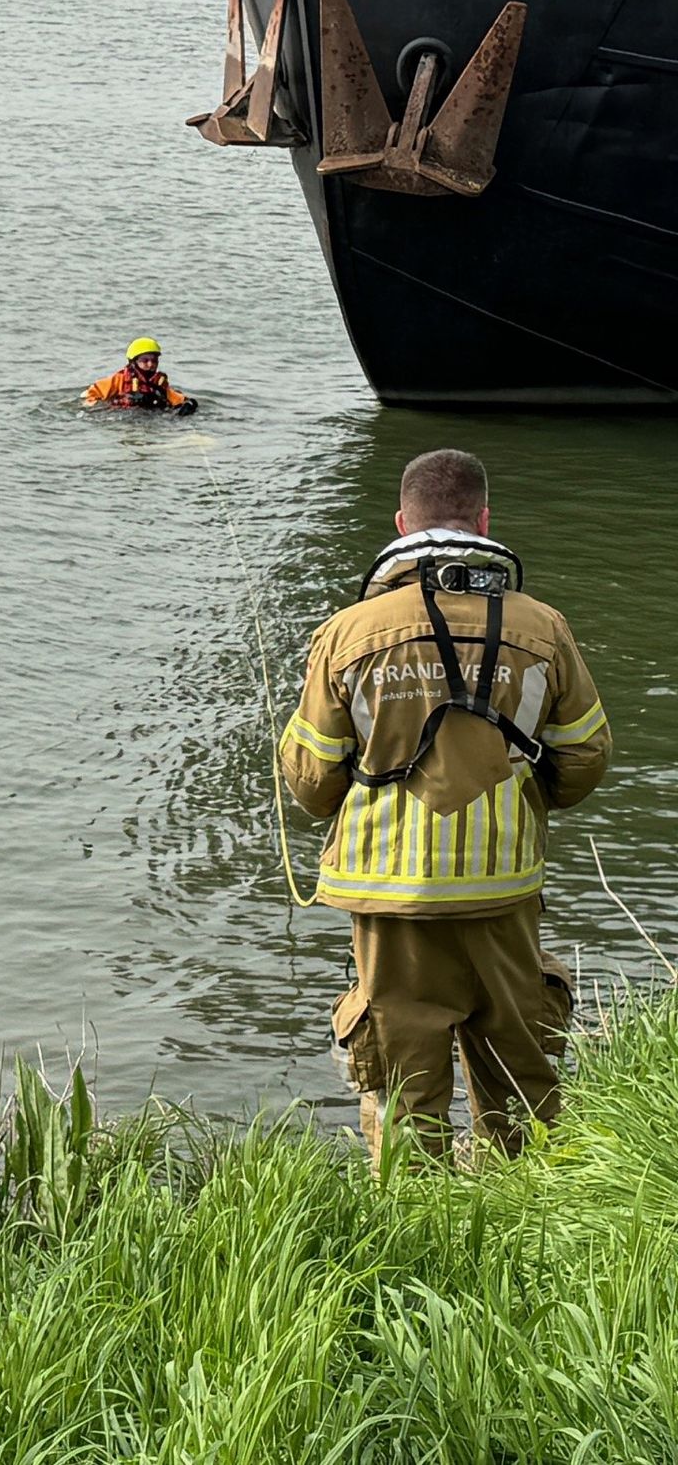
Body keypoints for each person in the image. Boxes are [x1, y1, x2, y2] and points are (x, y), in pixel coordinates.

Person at [279, 449, 611, 1164]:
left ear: (401, 522)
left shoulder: (348, 633)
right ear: (484, 520)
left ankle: (418, 1240)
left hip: (393, 903)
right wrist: (526, 796)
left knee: (403, 1097)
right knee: (525, 1094)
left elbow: (310, 782)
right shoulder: (543, 628)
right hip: (505, 891)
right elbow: (585, 756)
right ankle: (535, 1222)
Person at [83, 337, 198, 415]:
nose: (150, 364)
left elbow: (177, 399)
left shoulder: (159, 383)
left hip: (153, 419)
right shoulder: (119, 380)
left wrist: (187, 405)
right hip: (124, 418)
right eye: (145, 360)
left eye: (154, 360)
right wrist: (102, 409)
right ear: (133, 362)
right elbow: (90, 396)